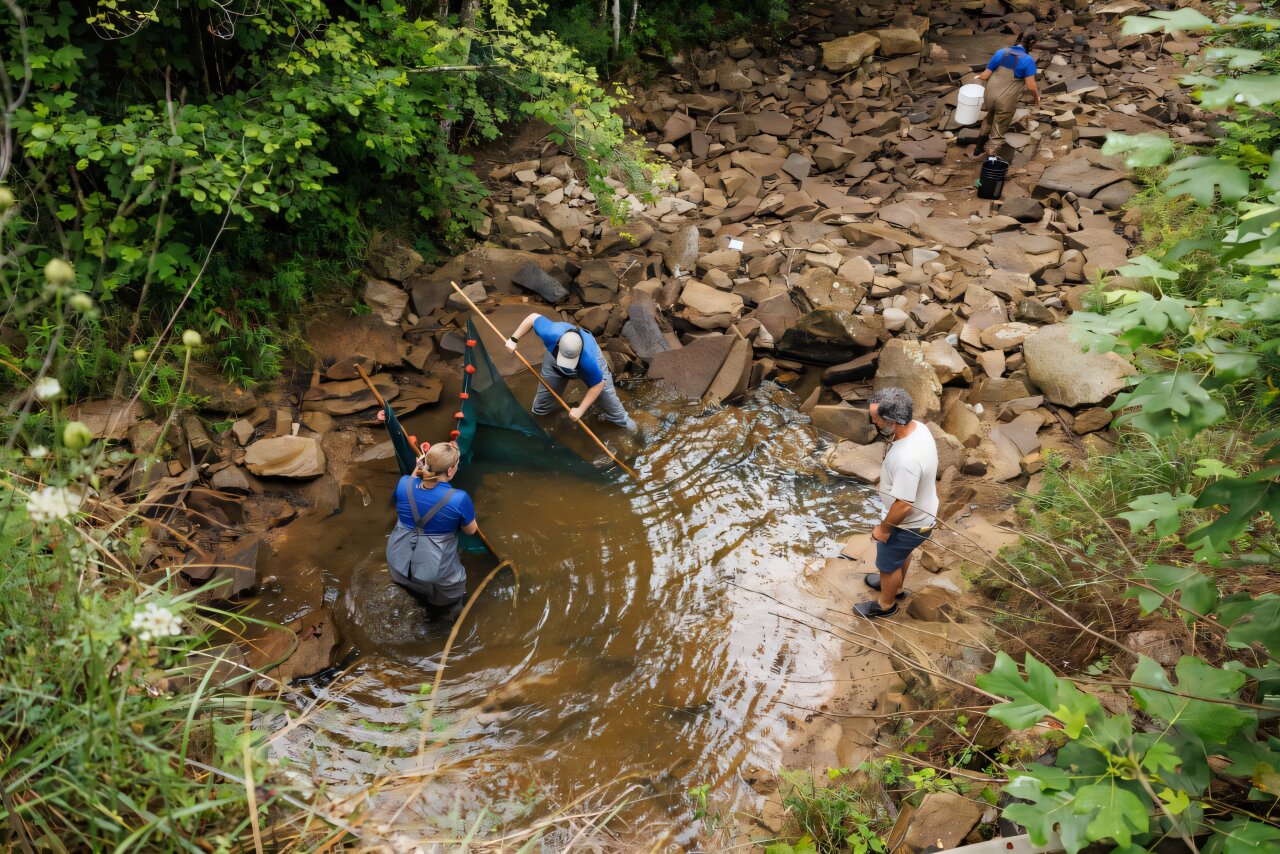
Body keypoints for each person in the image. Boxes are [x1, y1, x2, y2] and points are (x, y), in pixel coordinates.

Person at [854, 387, 939, 620]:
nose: (872, 420)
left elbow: (903, 506)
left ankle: (886, 604)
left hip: (908, 524)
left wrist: (883, 529)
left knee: (887, 562)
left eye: (876, 417)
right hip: (925, 514)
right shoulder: (919, 428)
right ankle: (896, 587)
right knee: (900, 554)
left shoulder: (906, 459)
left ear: (893, 422)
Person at [385, 442, 478, 618]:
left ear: (425, 464)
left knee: (414, 594)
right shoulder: (459, 498)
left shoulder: (404, 483)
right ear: (450, 470)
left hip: (397, 561)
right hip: (434, 571)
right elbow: (471, 530)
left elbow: (411, 483)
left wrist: (419, 467)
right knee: (450, 600)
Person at [505, 313, 636, 430]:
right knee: (540, 408)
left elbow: (598, 385)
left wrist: (580, 410)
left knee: (614, 410)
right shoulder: (550, 332)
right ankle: (540, 428)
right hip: (553, 361)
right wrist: (513, 339)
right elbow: (533, 317)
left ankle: (630, 427)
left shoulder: (589, 360)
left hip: (587, 362)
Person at [971, 29, 1041, 158]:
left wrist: (973, 80)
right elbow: (1031, 85)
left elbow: (984, 76)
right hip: (1006, 99)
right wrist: (1036, 97)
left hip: (989, 95)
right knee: (999, 128)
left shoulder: (1000, 53)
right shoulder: (1028, 60)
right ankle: (991, 159)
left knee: (989, 119)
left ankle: (978, 148)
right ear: (1031, 44)